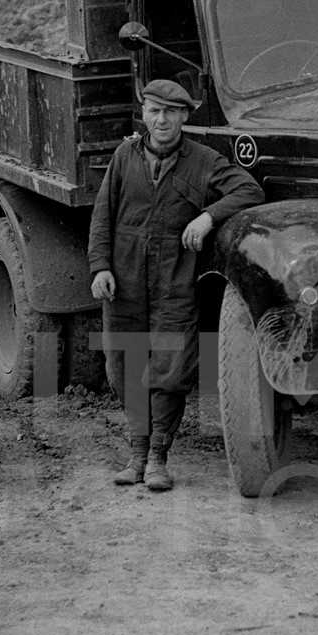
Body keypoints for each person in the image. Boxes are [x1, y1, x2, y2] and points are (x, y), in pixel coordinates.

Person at [89, 79, 262, 492]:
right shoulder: (123, 156)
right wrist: (100, 268)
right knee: (124, 366)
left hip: (174, 283)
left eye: (170, 112)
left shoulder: (203, 161)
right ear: (143, 113)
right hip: (125, 280)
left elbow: (249, 189)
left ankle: (157, 460)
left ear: (185, 116)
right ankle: (135, 454)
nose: (161, 119)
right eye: (154, 111)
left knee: (168, 371)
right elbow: (102, 216)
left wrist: (209, 217)